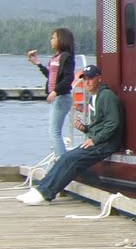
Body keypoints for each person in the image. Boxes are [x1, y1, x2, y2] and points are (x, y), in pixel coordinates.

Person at [18, 65, 124, 204]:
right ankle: (41, 188)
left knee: (71, 159)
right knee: (65, 157)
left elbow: (113, 123)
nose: (87, 82)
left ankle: (45, 193)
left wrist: (95, 140)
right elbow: (100, 124)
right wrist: (85, 129)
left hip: (107, 144)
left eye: (90, 78)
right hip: (99, 141)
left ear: (99, 78)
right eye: (85, 79)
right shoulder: (95, 97)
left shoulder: (107, 96)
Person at [27, 27, 76, 158]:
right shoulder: (56, 57)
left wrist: (55, 91)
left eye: (54, 38)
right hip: (56, 98)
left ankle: (62, 162)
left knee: (54, 133)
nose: (51, 40)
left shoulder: (66, 57)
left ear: (62, 39)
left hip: (62, 97)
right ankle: (60, 161)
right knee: (53, 132)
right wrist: (38, 64)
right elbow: (52, 76)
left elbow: (69, 78)